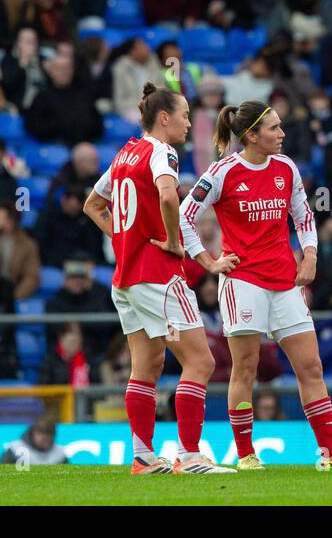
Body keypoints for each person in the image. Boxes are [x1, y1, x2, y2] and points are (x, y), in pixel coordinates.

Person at [179, 99, 332, 470]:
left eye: (281, 126)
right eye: (273, 128)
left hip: (285, 281)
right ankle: (245, 453)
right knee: (247, 368)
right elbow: (184, 216)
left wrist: (311, 256)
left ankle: (331, 452)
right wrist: (208, 261)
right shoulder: (222, 173)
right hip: (243, 281)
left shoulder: (286, 168)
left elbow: (303, 216)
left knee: (311, 366)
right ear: (251, 135)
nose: (282, 134)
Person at [83, 82, 236, 476]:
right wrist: (169, 240)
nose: (188, 123)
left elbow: (93, 204)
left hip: (125, 278)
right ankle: (190, 455)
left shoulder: (124, 153)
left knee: (146, 366)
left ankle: (143, 456)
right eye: (184, 116)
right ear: (164, 118)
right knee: (200, 361)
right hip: (158, 275)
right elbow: (170, 197)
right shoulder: (161, 151)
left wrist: (124, 238)